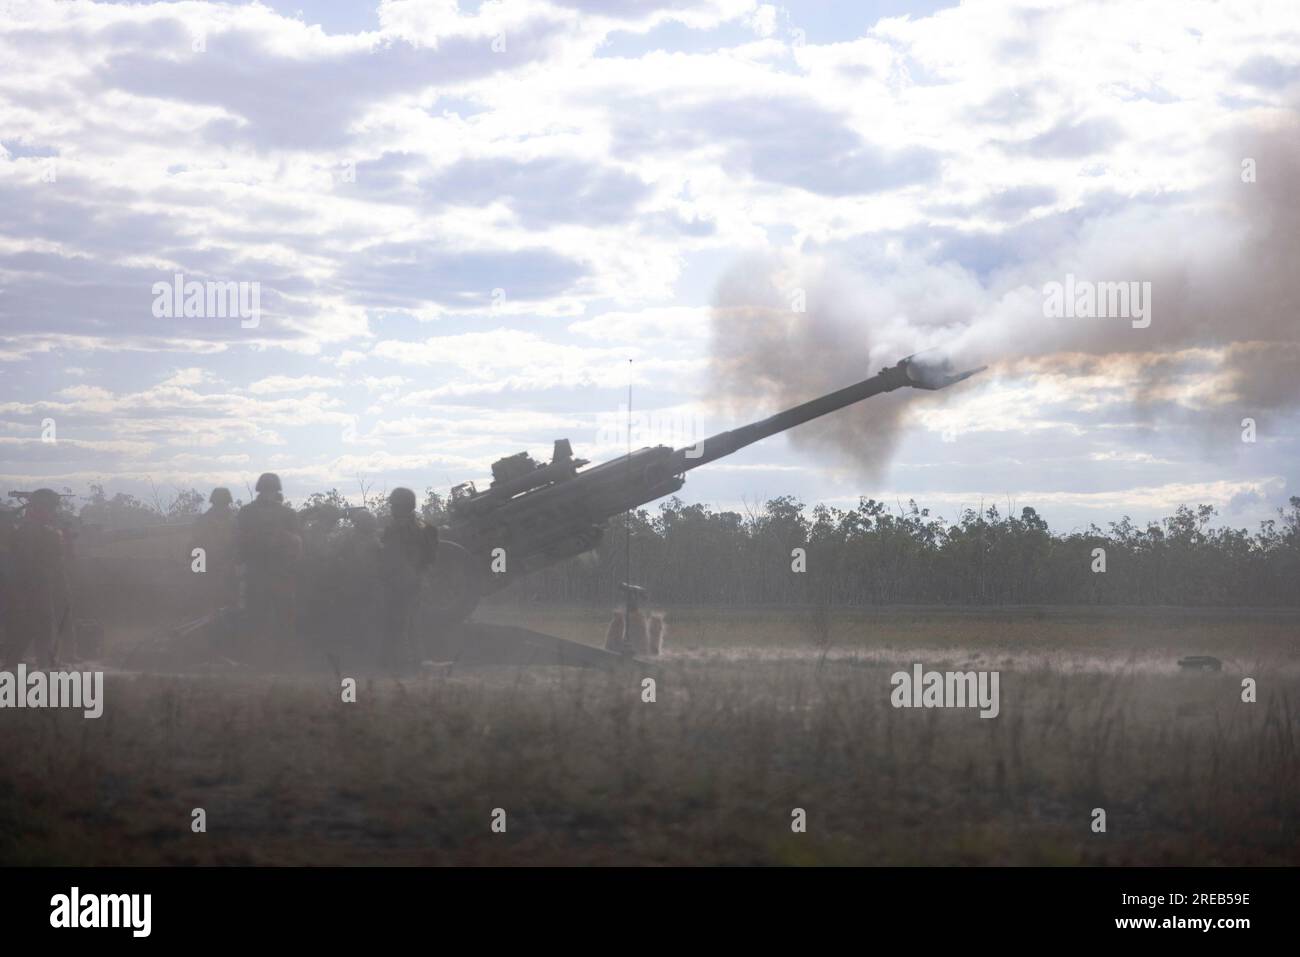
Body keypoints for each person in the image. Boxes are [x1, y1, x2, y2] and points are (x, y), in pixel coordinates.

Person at [235, 473, 301, 667]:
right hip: (257, 572)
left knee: (285, 620)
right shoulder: (247, 513)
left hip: (280, 573)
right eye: (266, 490)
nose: (268, 494)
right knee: (256, 619)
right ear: (260, 490)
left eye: (271, 490)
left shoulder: (287, 515)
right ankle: (255, 661)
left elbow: (296, 544)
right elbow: (240, 542)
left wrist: (282, 540)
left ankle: (284, 662)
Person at [3, 489, 70, 668]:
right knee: (39, 633)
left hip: (22, 593)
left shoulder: (22, 531)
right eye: (51, 508)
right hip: (32, 591)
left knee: (24, 637)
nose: (53, 512)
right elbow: (46, 564)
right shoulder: (42, 534)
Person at [378, 488, 438, 668]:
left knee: (398, 622)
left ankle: (402, 663)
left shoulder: (394, 530)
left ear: (400, 506)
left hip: (399, 582)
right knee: (412, 622)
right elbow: (431, 557)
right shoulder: (426, 527)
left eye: (393, 505)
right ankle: (417, 660)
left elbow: (388, 557)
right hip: (418, 580)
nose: (391, 509)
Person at [191, 487, 239, 612]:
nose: (223, 507)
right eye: (220, 504)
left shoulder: (234, 522)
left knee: (230, 607)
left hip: (228, 570)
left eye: (225, 504)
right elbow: (196, 547)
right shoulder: (203, 521)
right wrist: (199, 573)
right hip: (209, 571)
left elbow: (238, 546)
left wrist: (231, 565)